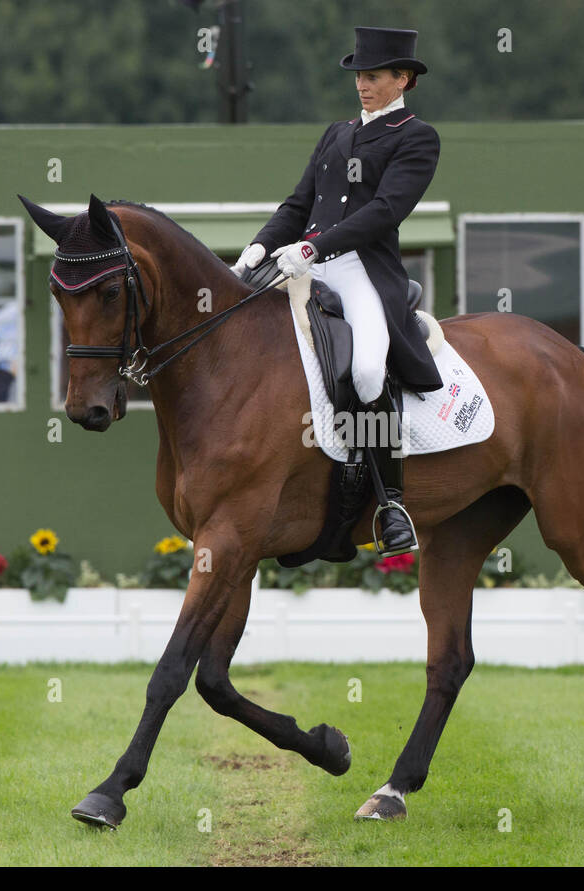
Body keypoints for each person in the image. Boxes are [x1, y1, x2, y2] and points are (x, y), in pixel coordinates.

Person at [230, 26, 443, 557]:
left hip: (361, 269)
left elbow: (385, 211)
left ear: (403, 79)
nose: (363, 86)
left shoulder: (417, 138)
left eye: (374, 77)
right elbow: (298, 204)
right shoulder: (335, 133)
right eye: (359, 78)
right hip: (306, 261)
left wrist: (315, 248)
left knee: (369, 371)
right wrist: (258, 249)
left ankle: (389, 501)